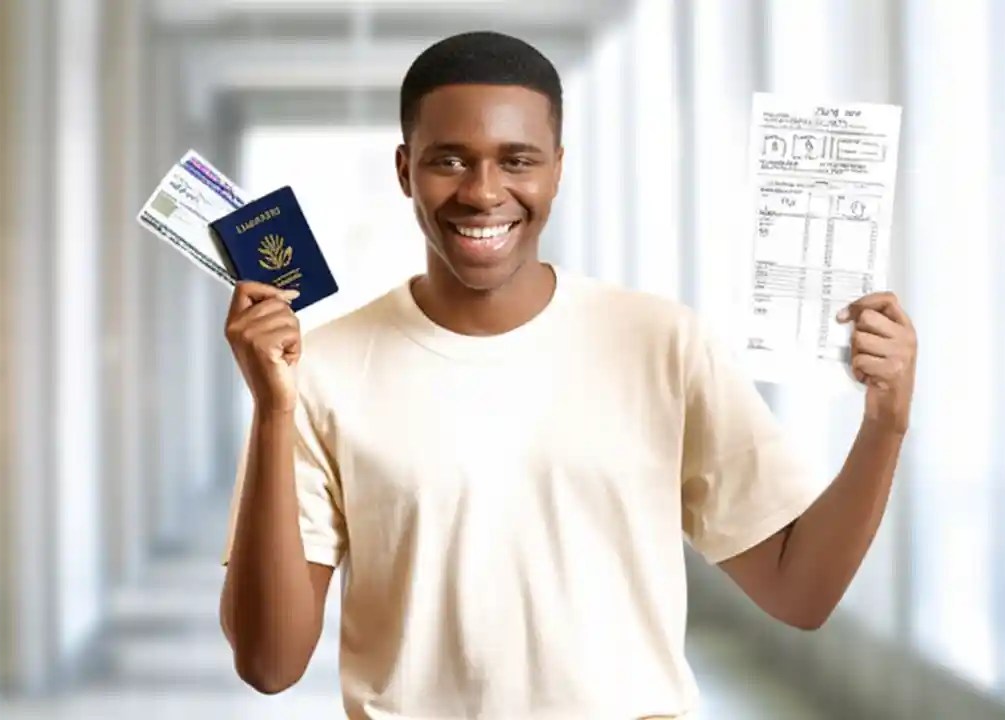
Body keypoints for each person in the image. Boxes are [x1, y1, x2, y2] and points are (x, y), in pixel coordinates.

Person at [218, 30, 917, 720]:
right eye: (450, 161)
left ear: (557, 167)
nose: (484, 192)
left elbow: (800, 594)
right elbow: (270, 664)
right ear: (405, 170)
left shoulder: (662, 344)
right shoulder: (321, 371)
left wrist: (885, 423)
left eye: (516, 160)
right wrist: (273, 410)